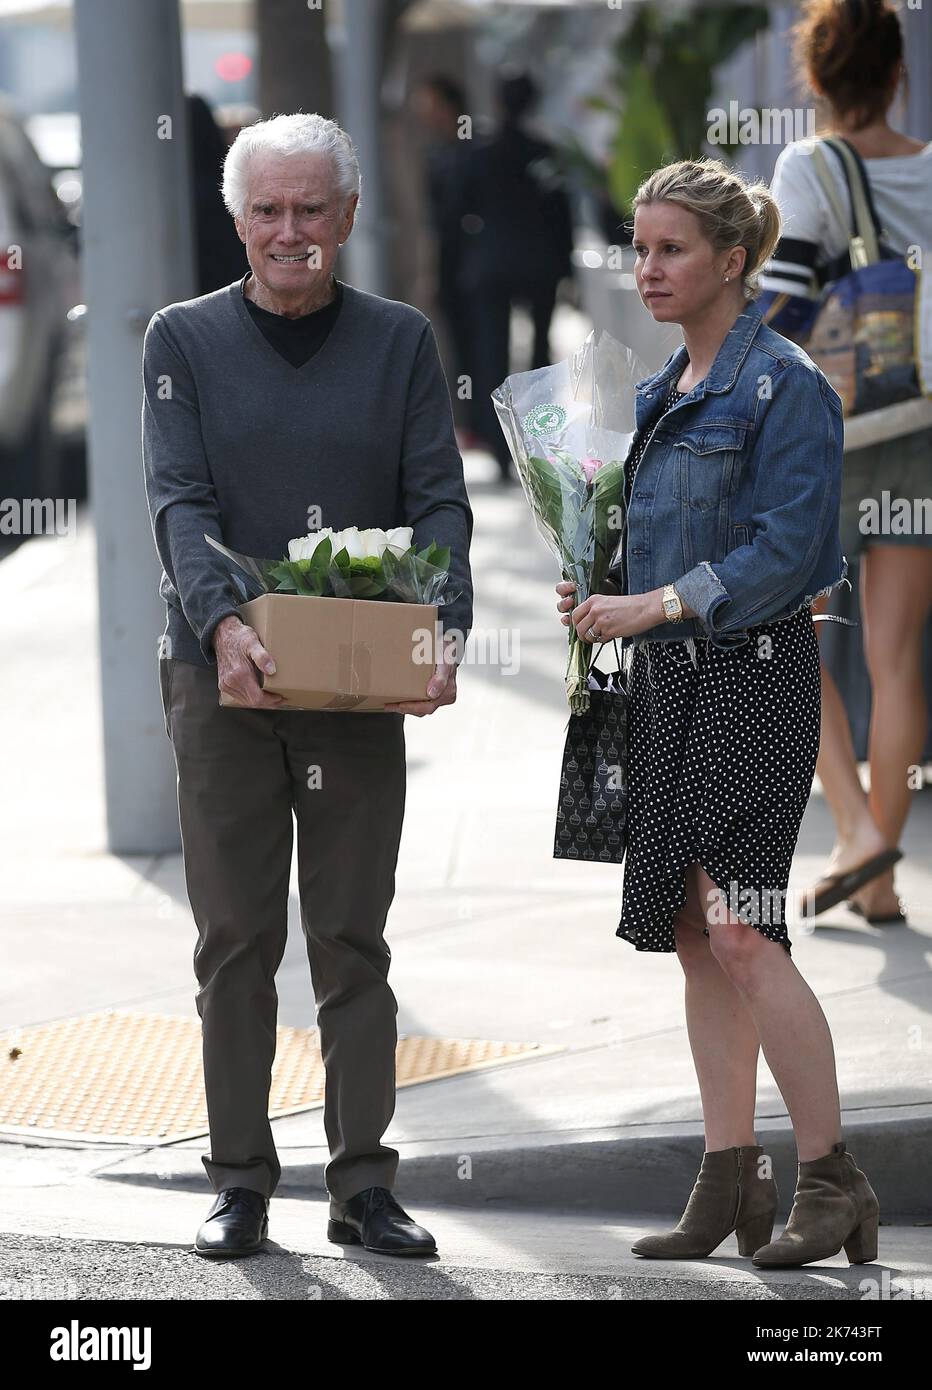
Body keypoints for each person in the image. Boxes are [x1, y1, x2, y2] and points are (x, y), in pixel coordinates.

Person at [142, 112, 474, 1260]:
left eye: (310, 209)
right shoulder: (181, 339)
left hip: (349, 678)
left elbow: (439, 496)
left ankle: (364, 1188)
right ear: (239, 222)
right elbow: (178, 501)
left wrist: (442, 624)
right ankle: (237, 1178)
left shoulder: (398, 342)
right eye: (268, 211)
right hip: (218, 674)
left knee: (350, 936)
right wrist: (223, 622)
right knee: (235, 937)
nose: (291, 231)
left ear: (347, 215)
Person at [555, 156, 879, 1268]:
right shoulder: (659, 395)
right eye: (638, 247)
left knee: (742, 925)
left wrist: (656, 600)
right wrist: (594, 585)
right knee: (697, 938)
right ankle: (727, 1176)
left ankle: (830, 1177)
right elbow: (656, 545)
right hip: (671, 687)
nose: (645, 267)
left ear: (730, 261)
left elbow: (791, 552)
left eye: (669, 249)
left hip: (752, 678)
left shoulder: (783, 387)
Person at [759, 0, 932, 925]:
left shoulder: (809, 164)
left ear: (816, 79)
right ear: (898, 72)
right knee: (898, 658)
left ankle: (860, 833)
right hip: (921, 428)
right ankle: (883, 881)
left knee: (792, 631)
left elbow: (783, 305)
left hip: (827, 429)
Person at [452, 67, 574, 482]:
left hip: (490, 265)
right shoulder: (544, 154)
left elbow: (460, 213)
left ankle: (499, 446)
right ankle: (538, 441)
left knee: (491, 354)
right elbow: (562, 215)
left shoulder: (479, 152)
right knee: (540, 356)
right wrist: (567, 264)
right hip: (539, 263)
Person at [410, 75, 475, 444]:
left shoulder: (468, 150)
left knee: (476, 346)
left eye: (431, 107)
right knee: (458, 345)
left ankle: (478, 422)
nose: (426, 116)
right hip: (452, 267)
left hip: (471, 267)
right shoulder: (437, 154)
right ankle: (471, 421)